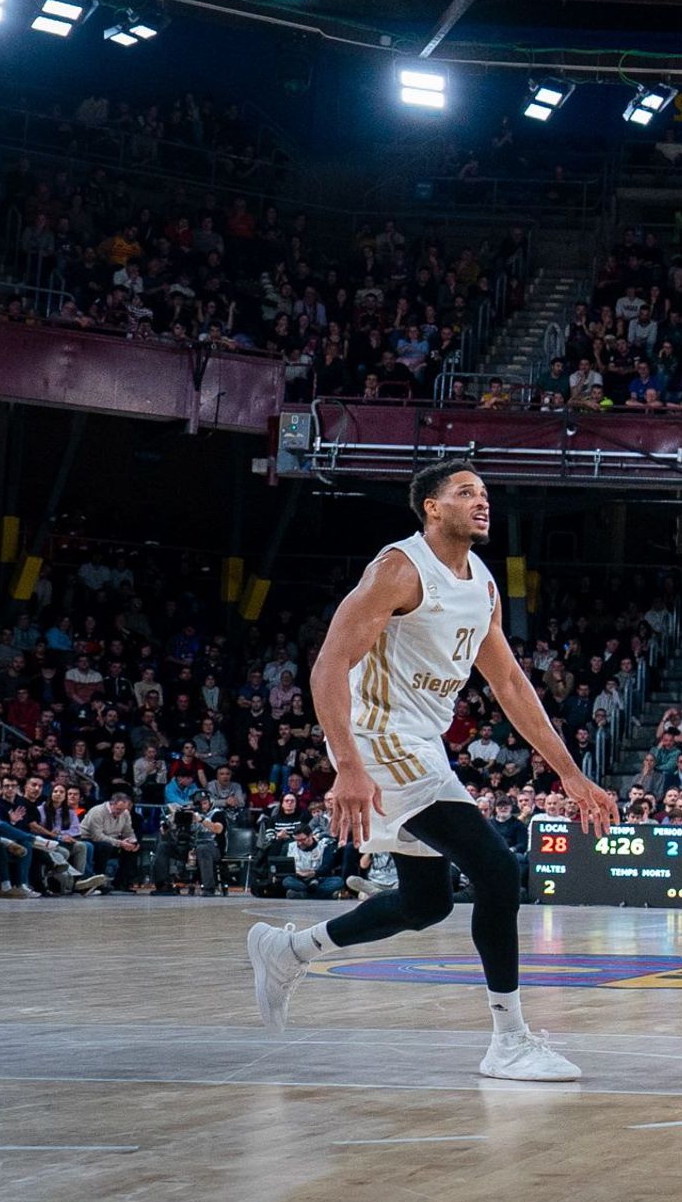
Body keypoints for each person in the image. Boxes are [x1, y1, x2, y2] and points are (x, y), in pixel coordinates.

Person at [247, 461, 618, 1082]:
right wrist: (347, 765)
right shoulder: (400, 568)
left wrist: (570, 773)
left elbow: (509, 684)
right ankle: (509, 1040)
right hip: (378, 737)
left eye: (485, 493)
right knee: (498, 871)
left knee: (427, 903)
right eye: (466, 492)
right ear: (432, 507)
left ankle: (289, 950)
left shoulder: (482, 583)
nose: (482, 501)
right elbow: (328, 665)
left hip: (422, 744)